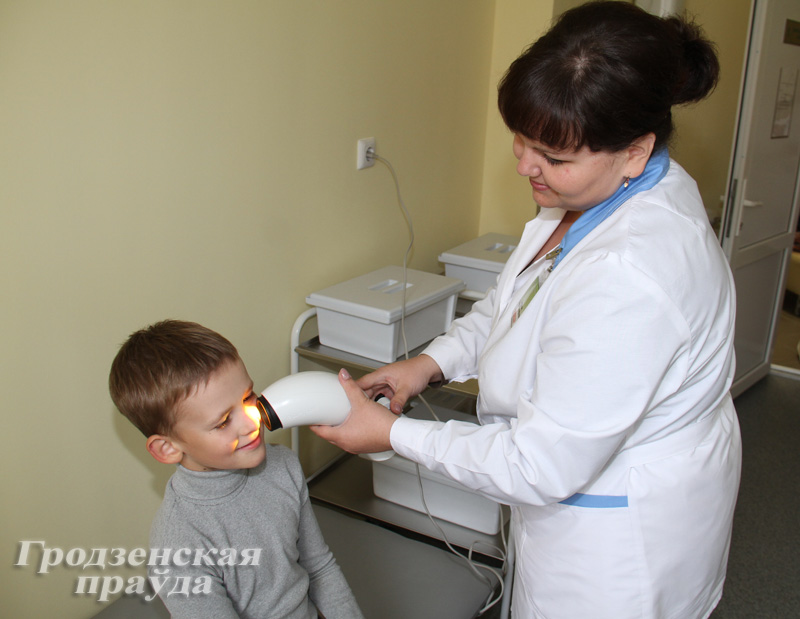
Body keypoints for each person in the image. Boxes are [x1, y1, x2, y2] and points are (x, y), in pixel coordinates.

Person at [312, 2, 742, 617]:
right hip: (575, 488)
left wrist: (391, 434)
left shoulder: (633, 277)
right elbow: (516, 302)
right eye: (522, 139)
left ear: (635, 151)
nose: (524, 165)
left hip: (619, 547)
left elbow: (539, 462)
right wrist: (428, 364)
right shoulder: (601, 193)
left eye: (554, 157)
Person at [109, 319, 363, 619]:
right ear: (169, 448)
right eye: (222, 422)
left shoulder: (282, 465)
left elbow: (318, 566)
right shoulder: (178, 545)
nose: (251, 421)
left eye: (248, 398)